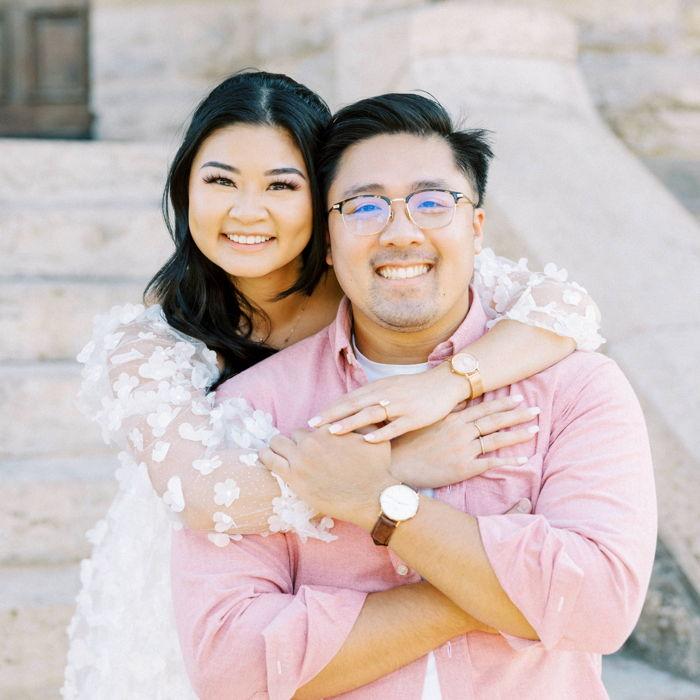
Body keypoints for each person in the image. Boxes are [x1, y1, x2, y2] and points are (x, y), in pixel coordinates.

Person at [63, 73, 604, 698]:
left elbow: (566, 309)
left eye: (281, 186)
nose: (247, 211)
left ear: (324, 200)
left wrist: (447, 384)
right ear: (184, 190)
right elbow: (205, 497)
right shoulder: (150, 343)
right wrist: (397, 467)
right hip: (200, 587)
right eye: (220, 181)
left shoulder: (378, 278)